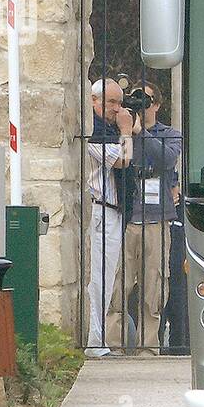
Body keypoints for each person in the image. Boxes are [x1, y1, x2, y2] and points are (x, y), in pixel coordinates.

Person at [107, 81, 182, 353]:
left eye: (147, 100)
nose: (141, 104)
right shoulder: (118, 130)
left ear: (157, 105)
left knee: (154, 287)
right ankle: (113, 344)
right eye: (136, 99)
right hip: (125, 218)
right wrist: (126, 129)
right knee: (117, 286)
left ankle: (148, 345)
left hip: (156, 219)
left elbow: (167, 159)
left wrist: (141, 131)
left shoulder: (169, 134)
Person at [86, 78, 134, 356]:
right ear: (94, 101)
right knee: (98, 277)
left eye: (120, 102)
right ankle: (94, 341)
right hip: (100, 209)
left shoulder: (110, 128)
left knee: (107, 276)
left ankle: (98, 338)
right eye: (111, 102)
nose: (117, 108)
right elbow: (123, 159)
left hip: (114, 210)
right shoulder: (93, 131)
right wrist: (126, 130)